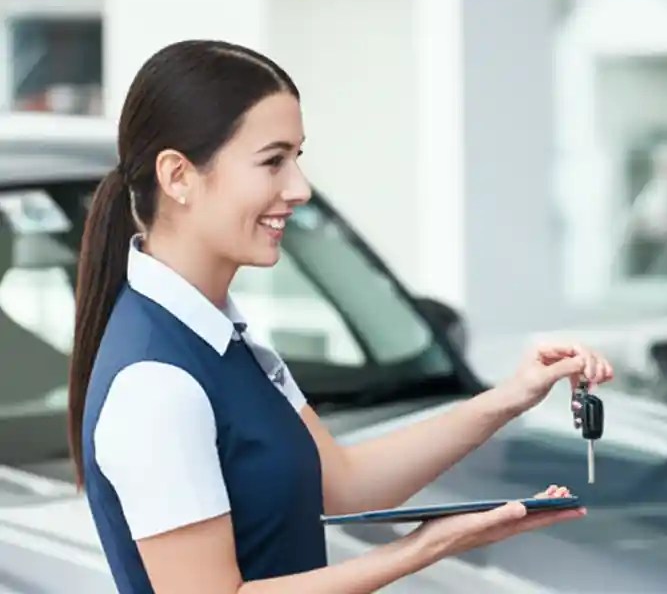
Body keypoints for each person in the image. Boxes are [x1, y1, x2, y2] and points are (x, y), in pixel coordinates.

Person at [67, 39, 614, 593]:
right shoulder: (155, 384)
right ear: (178, 176)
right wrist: (430, 545)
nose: (298, 188)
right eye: (272, 161)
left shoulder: (218, 335)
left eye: (297, 158)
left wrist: (511, 396)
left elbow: (343, 484)